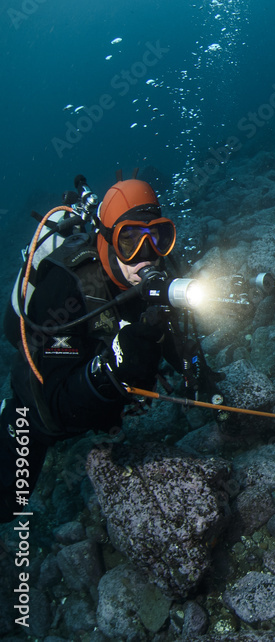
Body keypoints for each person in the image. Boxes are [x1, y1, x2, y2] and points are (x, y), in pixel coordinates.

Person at [1, 179, 180, 522]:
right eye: (129, 238)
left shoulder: (154, 270)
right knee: (9, 499)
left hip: (100, 396)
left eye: (158, 236)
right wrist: (113, 368)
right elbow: (52, 404)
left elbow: (178, 340)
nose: (146, 252)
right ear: (107, 239)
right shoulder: (66, 288)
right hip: (40, 407)